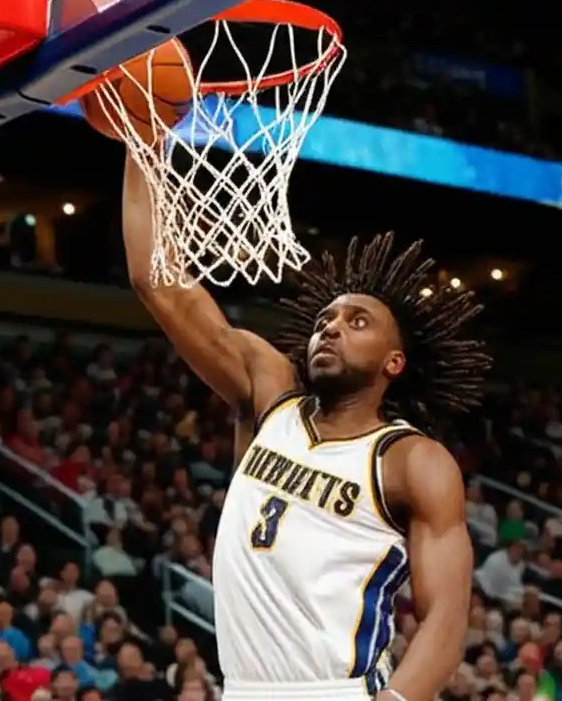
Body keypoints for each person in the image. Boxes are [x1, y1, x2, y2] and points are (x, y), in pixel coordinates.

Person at [123, 159, 491, 701]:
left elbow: (445, 618)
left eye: (356, 322)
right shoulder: (269, 396)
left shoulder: (410, 460)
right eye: (325, 321)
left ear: (393, 362)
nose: (332, 328)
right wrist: (142, 147)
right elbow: (158, 282)